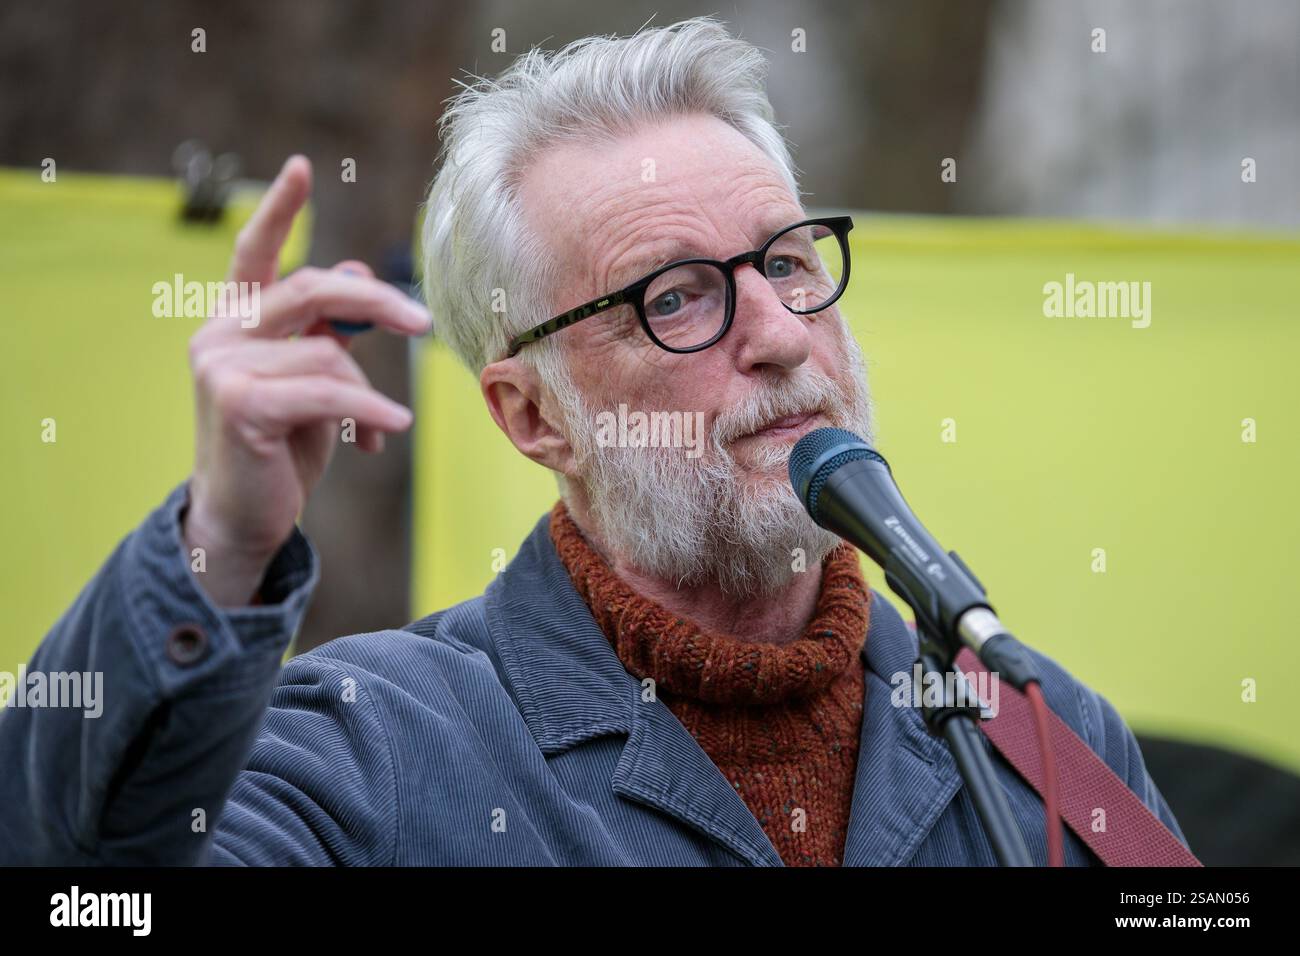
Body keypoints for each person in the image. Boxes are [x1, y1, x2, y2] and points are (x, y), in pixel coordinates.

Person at [0, 18, 1187, 866]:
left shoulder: (1043, 736)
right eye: (675, 296)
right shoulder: (367, 752)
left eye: (785, 261)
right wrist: (219, 540)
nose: (778, 334)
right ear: (532, 413)